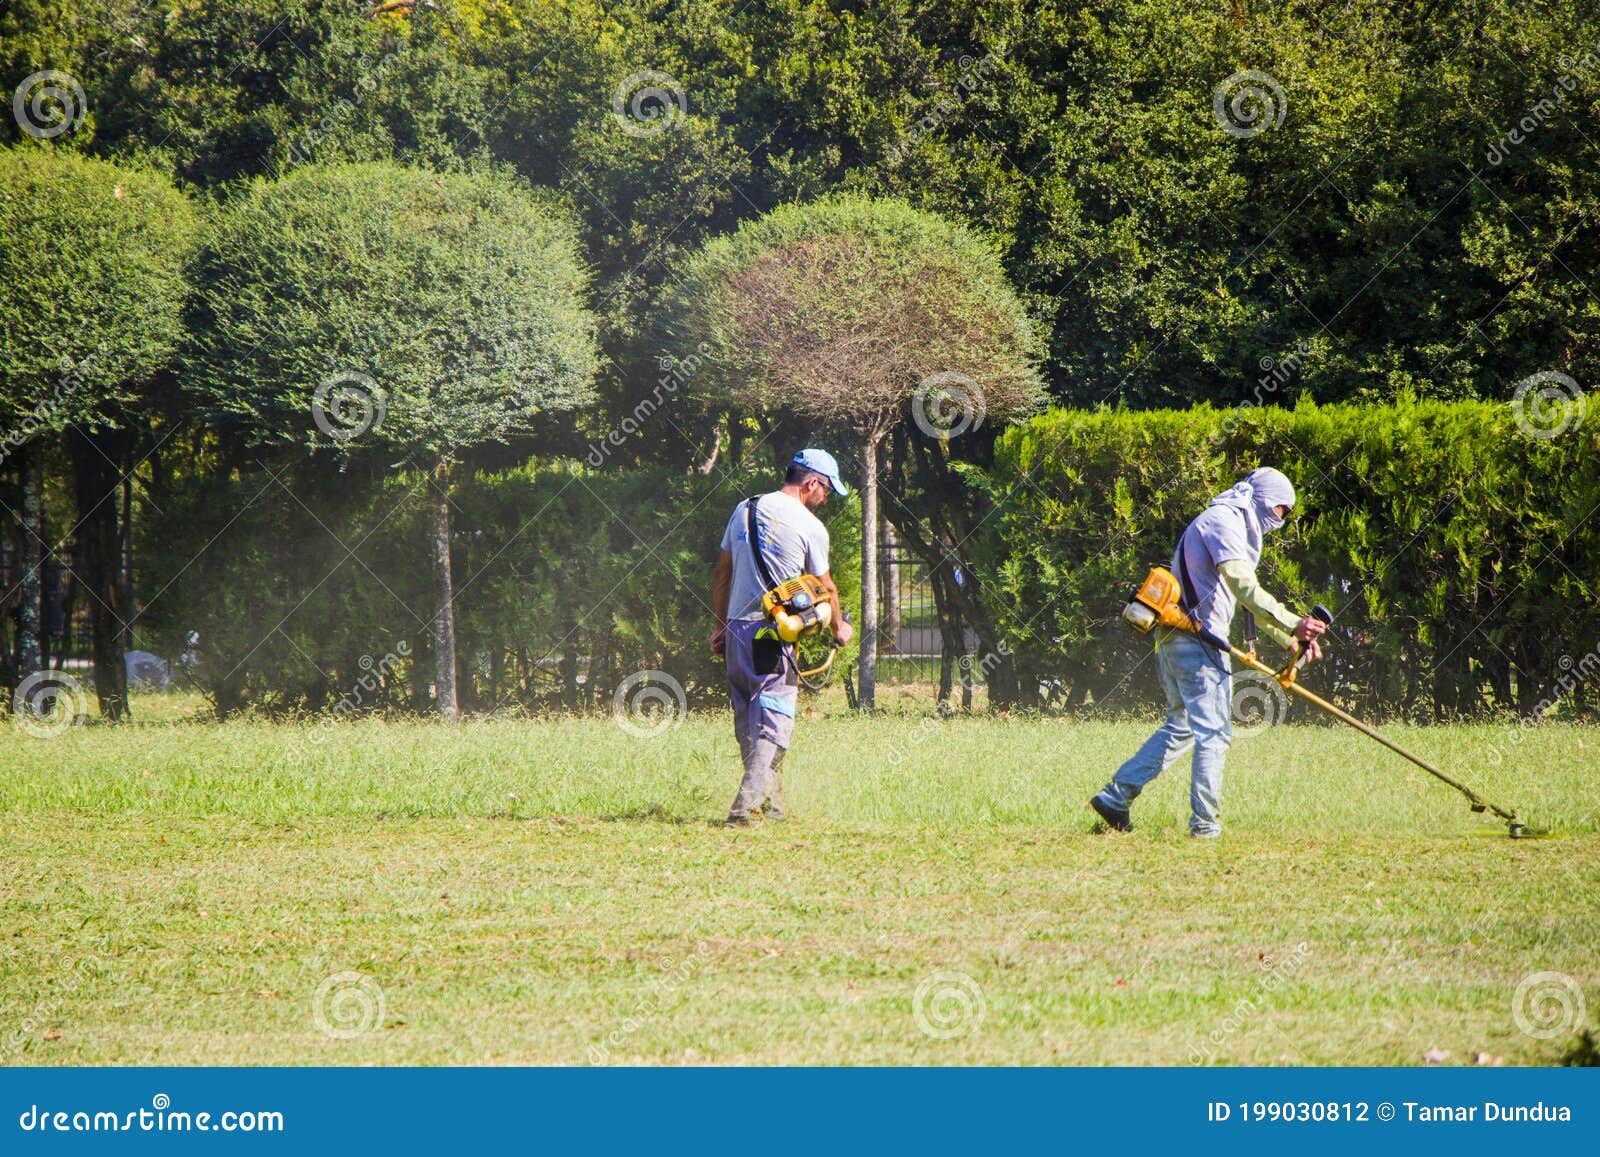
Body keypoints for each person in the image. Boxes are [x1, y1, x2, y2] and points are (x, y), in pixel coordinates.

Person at [1089, 467, 1326, 838]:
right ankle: (1205, 826)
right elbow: (1243, 585)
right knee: (1214, 733)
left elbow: (1242, 599)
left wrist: (1288, 640)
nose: (1283, 519)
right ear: (1264, 499)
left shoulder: (1233, 524)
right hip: (1196, 643)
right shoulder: (1223, 521)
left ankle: (1116, 797)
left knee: (1182, 726)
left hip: (1180, 641)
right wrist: (1293, 621)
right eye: (1283, 509)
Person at [711, 449, 854, 825]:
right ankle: (743, 810)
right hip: (771, 636)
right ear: (812, 483)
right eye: (826, 491)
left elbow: (722, 573)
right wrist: (839, 628)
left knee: (748, 721)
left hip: (736, 630)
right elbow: (827, 588)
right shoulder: (810, 526)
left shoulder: (745, 508)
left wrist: (719, 625)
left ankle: (772, 808)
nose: (825, 500)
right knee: (774, 721)